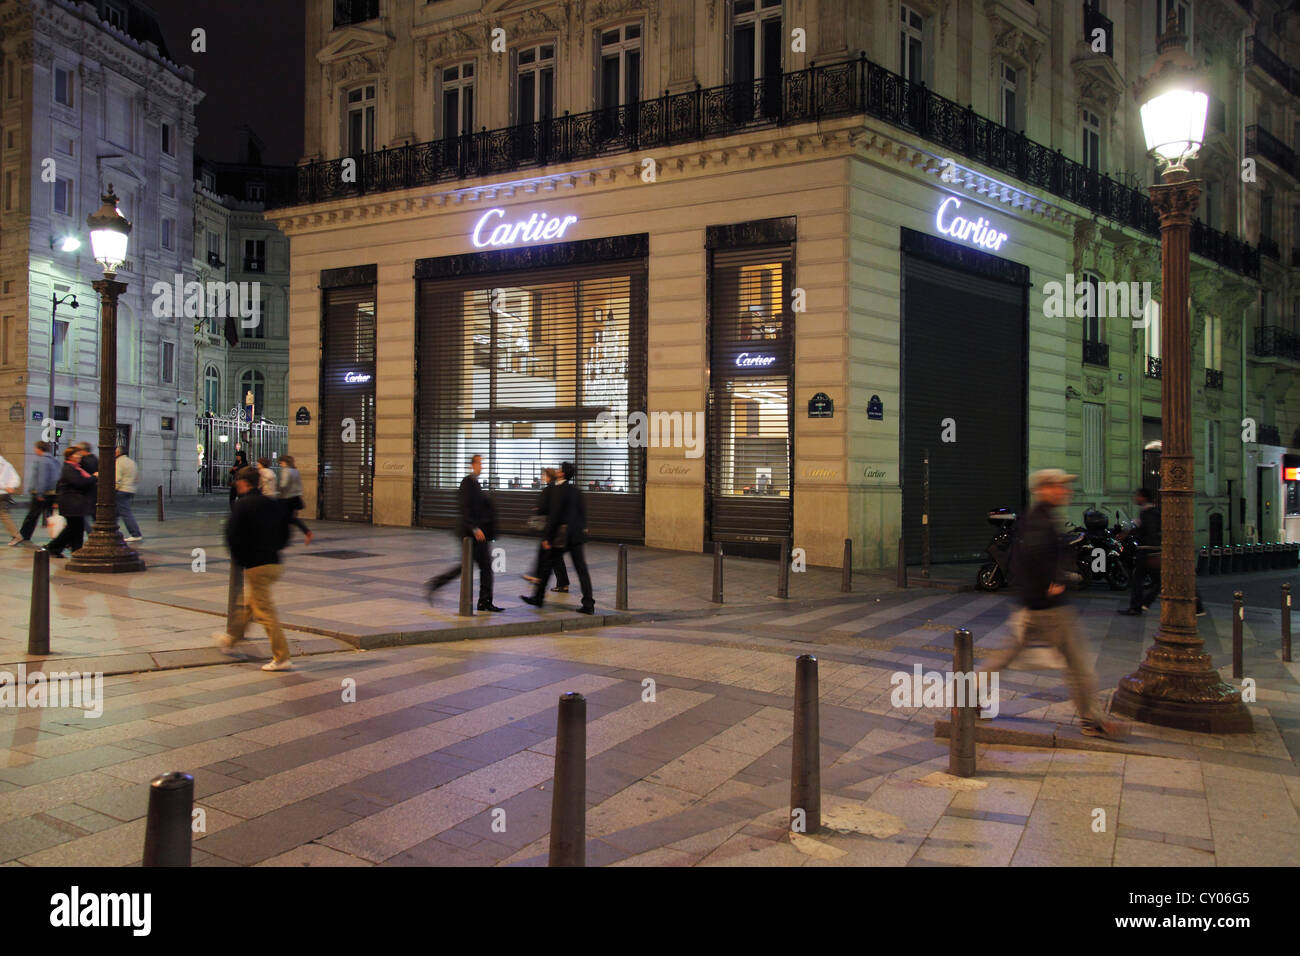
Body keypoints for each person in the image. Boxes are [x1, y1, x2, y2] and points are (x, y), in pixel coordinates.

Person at [977, 468, 1123, 739]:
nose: (1064, 491)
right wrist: (1051, 585)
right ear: (1044, 489)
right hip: (1048, 608)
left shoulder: (1043, 517)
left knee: (1007, 655)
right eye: (1059, 486)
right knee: (1077, 663)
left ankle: (969, 696)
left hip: (1038, 605)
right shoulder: (1038, 521)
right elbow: (1032, 559)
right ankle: (1091, 719)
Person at [213, 465, 293, 671]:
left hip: (256, 565)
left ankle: (281, 657)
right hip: (274, 562)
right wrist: (275, 547)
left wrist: (241, 558)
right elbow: (286, 530)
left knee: (265, 611)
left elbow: (232, 536)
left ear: (242, 483)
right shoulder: (271, 503)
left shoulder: (242, 505)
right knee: (249, 606)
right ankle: (230, 640)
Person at [425, 454, 501, 611]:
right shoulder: (467, 482)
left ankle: (484, 601)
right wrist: (475, 528)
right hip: (470, 533)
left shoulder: (475, 483)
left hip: (477, 533)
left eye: (482, 463)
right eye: (479, 463)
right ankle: (438, 584)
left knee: (481, 566)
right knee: (473, 566)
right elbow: (465, 508)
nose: (482, 466)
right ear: (472, 465)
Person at [521, 461, 594, 614]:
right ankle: (588, 604)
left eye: (560, 469)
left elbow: (555, 515)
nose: (558, 471)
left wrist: (547, 537)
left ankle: (538, 598)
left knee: (547, 565)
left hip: (561, 536)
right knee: (581, 570)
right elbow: (582, 512)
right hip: (576, 535)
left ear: (561, 473)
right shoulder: (576, 491)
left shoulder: (558, 490)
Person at [523, 467, 571, 592]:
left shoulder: (548, 489)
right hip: (558, 527)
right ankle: (561, 582)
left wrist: (537, 509)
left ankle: (537, 577)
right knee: (555, 557)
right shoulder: (557, 489)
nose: (542, 477)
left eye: (544, 475)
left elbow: (543, 507)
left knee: (548, 554)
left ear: (548, 476)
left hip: (551, 528)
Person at [43, 446, 95, 558]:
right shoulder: (69, 468)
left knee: (75, 528)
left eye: (80, 454)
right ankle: (56, 547)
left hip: (75, 503)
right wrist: (93, 478)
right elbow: (79, 483)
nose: (79, 456)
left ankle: (72, 549)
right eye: (76, 454)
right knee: (73, 528)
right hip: (72, 503)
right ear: (70, 456)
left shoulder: (75, 468)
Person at [1118, 487, 1160, 616]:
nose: (1135, 498)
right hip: (1148, 550)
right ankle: (1140, 605)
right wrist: (1127, 533)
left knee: (1143, 580)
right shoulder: (1146, 511)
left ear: (1144, 497)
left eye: (1138, 496)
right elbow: (1141, 527)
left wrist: (1152, 551)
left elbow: (1150, 531)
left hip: (1148, 551)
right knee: (1152, 581)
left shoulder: (1149, 512)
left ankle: (1140, 605)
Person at [16, 441, 60, 546]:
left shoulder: (42, 461)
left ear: (40, 449)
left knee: (32, 516)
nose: (35, 450)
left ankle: (24, 536)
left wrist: (40, 493)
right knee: (50, 516)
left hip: (42, 493)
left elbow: (42, 478)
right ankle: (59, 539)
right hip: (52, 493)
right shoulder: (54, 460)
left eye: (36, 448)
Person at [277, 455, 312, 544]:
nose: (281, 465)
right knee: (288, 518)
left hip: (286, 498)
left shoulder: (286, 471)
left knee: (286, 518)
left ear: (285, 462)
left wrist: (277, 489)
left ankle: (305, 532)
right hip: (295, 498)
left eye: (281, 463)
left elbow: (284, 485)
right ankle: (304, 532)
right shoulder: (295, 471)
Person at [114, 446, 143, 542]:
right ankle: (112, 531)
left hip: (121, 490)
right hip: (130, 489)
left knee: (125, 513)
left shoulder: (118, 462)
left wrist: (113, 489)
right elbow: (137, 477)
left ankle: (135, 533)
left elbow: (116, 479)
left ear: (118, 452)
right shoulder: (131, 462)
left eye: (115, 450)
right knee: (115, 513)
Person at [0, 448, 21, 543]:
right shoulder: (7, 464)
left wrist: (5, 486)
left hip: (2, 492)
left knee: (4, 515)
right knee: (5, 515)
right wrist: (10, 487)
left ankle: (16, 535)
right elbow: (16, 478)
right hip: (4, 494)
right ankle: (16, 535)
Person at [77, 442, 97, 531]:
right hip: (94, 490)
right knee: (94, 514)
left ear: (82, 450)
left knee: (80, 516)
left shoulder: (83, 461)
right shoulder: (96, 459)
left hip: (85, 491)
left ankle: (91, 533)